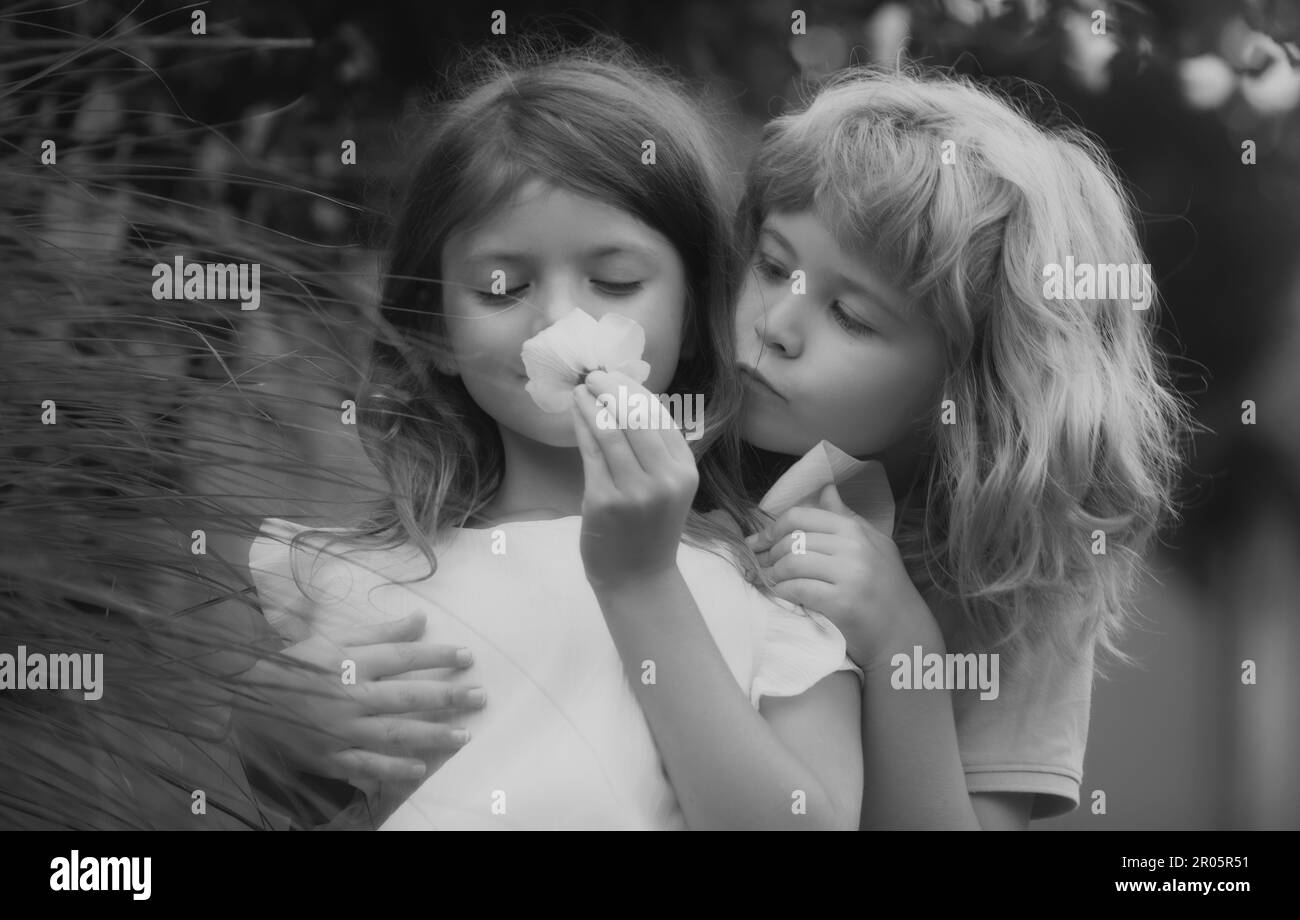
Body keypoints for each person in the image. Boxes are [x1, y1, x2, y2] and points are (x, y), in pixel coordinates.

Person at [241, 42, 862, 830]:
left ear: (697, 316)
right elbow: (301, 807)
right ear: (434, 329)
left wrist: (644, 582)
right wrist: (274, 734)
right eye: (503, 286)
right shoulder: (370, 577)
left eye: (615, 282)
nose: (560, 320)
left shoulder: (769, 589)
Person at [732, 66, 1189, 828]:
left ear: (969, 387)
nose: (775, 321)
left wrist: (900, 640)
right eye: (774, 266)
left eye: (849, 315)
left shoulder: (1017, 582)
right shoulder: (668, 447)